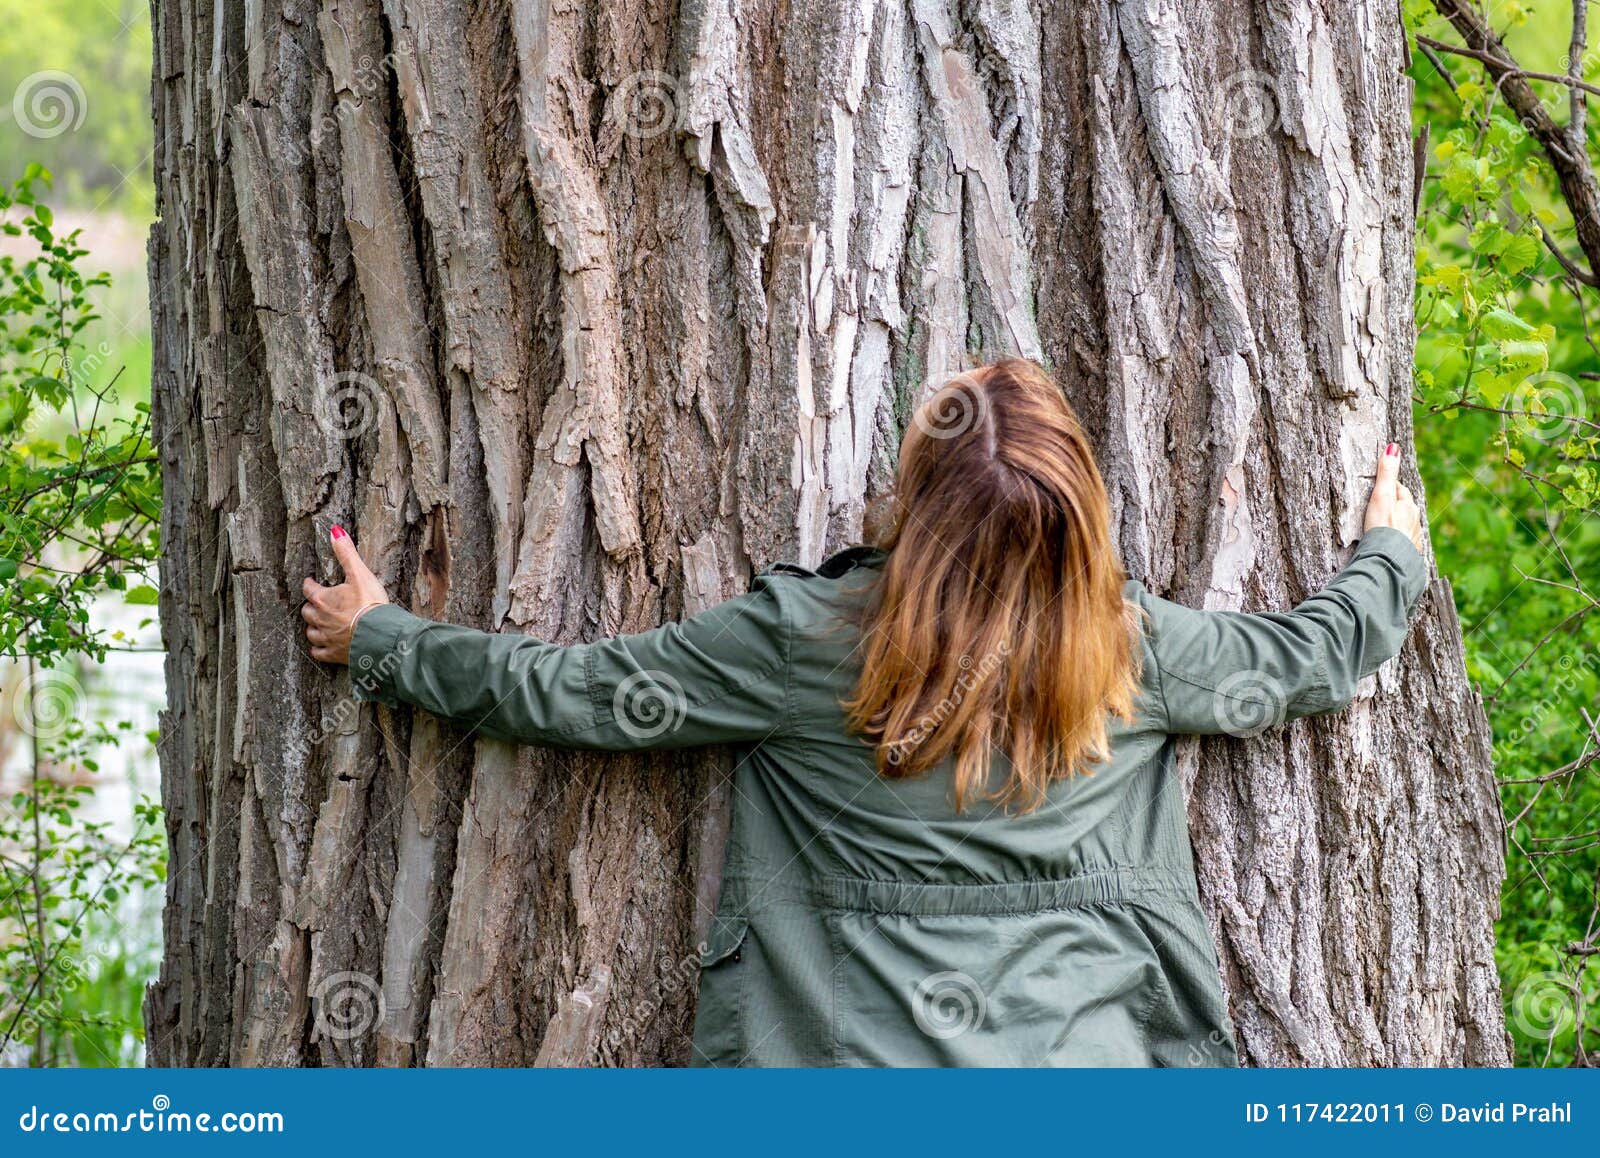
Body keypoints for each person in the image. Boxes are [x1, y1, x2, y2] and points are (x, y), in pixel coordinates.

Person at [301, 358, 1427, 1067]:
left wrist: (387, 643)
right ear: (1081, 517)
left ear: (920, 504)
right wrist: (1389, 554)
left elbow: (577, 695)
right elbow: (1308, 658)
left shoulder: (806, 645)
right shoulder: (1129, 650)